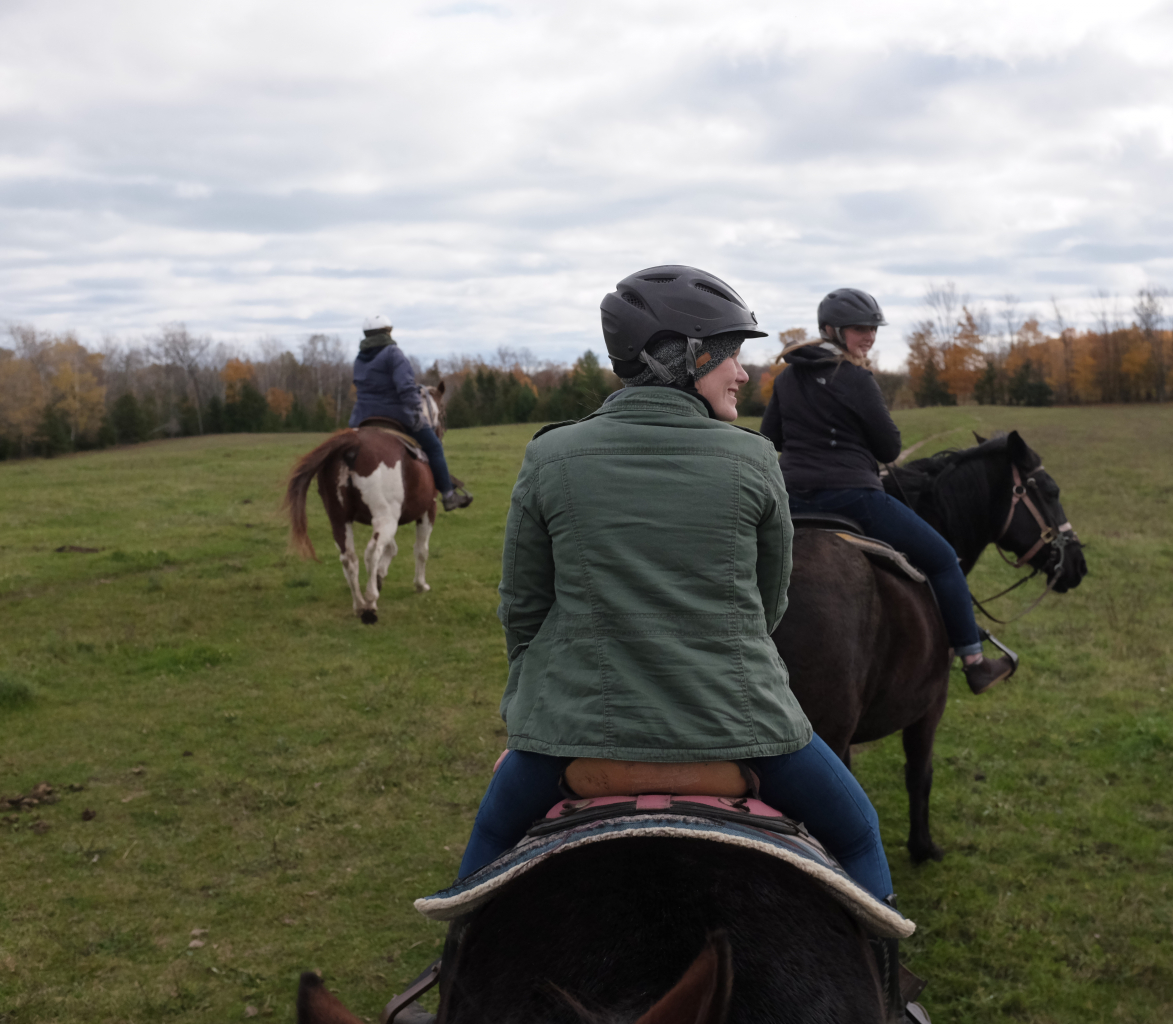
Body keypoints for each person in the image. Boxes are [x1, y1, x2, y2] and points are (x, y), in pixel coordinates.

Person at [456, 266, 894, 907]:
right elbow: (769, 604)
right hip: (744, 724)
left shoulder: (550, 455)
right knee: (856, 833)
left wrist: (538, 705)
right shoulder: (754, 458)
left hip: (571, 725)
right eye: (730, 354)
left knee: (492, 842)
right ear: (685, 358)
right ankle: (884, 959)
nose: (742, 373)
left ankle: (452, 945)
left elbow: (523, 607)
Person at [761, 287, 1016, 695]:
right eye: (860, 329)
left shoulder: (788, 377)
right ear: (832, 330)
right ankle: (974, 661)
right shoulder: (857, 378)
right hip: (853, 498)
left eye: (873, 329)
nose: (869, 336)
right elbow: (890, 448)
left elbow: (772, 434)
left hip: (793, 499)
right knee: (943, 559)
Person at [348, 315, 471, 511]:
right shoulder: (393, 353)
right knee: (434, 447)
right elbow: (406, 388)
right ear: (388, 332)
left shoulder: (359, 359)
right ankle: (449, 495)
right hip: (394, 415)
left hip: (362, 418)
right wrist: (416, 414)